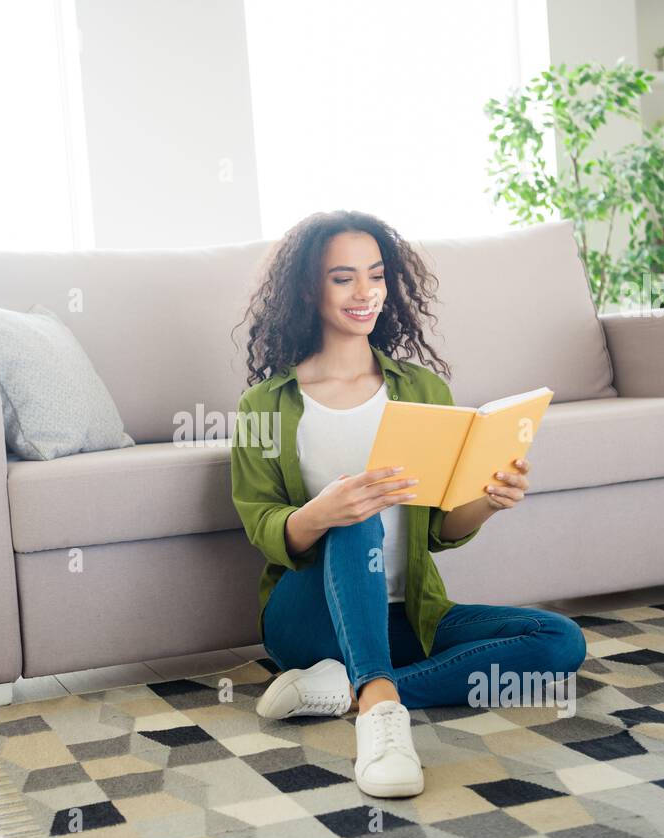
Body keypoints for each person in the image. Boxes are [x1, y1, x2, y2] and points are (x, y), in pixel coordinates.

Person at [229, 210, 586, 799]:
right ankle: (381, 721)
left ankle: (357, 690)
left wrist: (490, 501)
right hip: (308, 615)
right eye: (343, 278)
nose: (364, 292)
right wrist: (328, 508)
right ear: (306, 289)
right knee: (358, 512)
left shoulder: (422, 390)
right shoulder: (265, 404)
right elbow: (264, 526)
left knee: (559, 643)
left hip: (408, 614)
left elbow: (441, 528)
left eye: (376, 275)